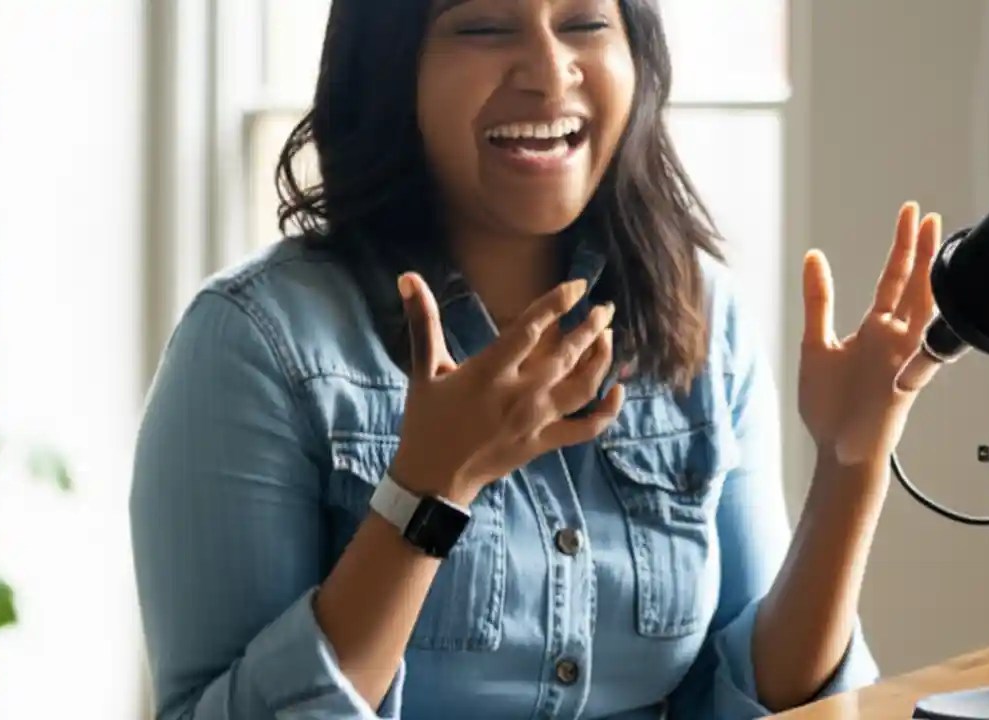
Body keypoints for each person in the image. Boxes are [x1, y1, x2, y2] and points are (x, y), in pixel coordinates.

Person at [129, 1, 943, 718]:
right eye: (482, 26)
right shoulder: (252, 345)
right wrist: (426, 492)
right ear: (388, 69)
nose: (550, 73)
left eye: (586, 23)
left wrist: (851, 462)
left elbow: (757, 702)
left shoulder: (698, 313)